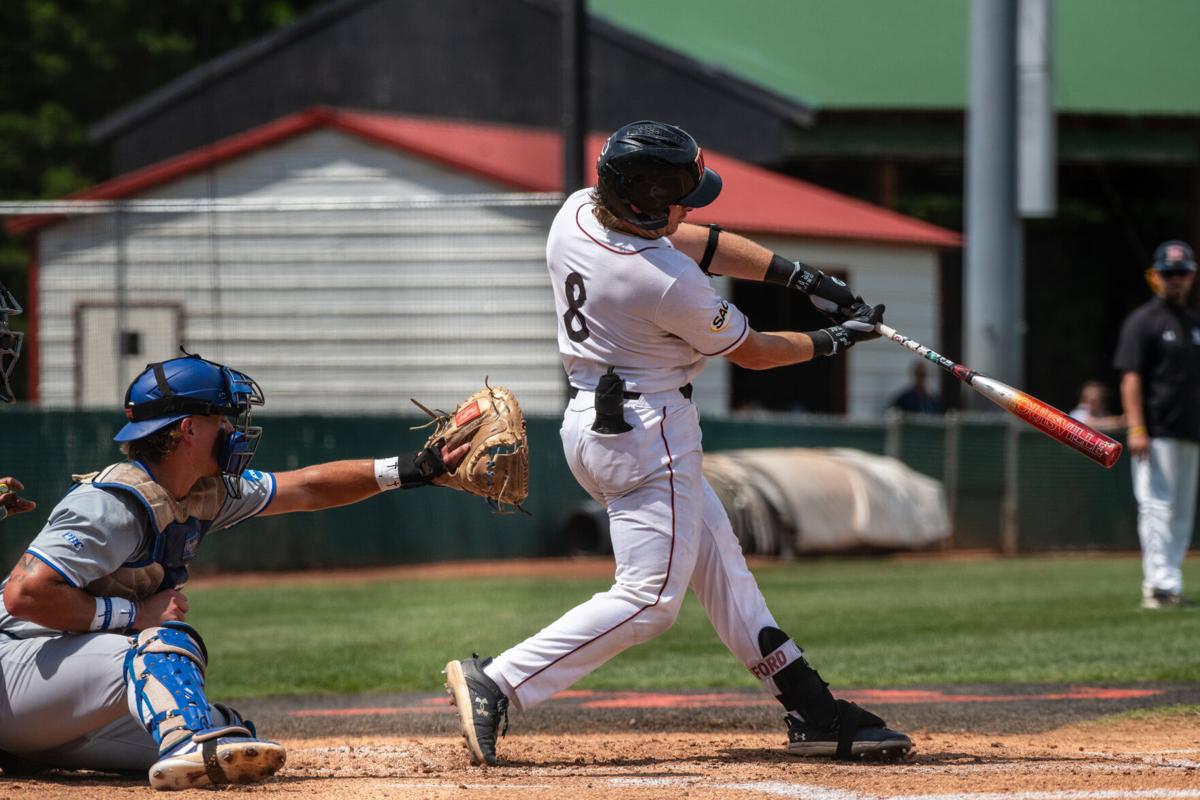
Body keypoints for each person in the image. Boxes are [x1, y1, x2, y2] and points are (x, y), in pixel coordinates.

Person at [444, 120, 910, 766]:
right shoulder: (664, 282)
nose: (689, 206)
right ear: (645, 200)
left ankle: (813, 709)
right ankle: (498, 680)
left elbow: (693, 239)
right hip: (647, 433)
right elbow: (752, 351)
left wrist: (799, 277)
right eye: (679, 194)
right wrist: (834, 339)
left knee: (725, 572)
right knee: (649, 603)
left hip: (597, 422)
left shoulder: (577, 211)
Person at [0, 352, 469, 789]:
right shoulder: (110, 505)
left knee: (227, 731)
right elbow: (24, 596)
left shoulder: (205, 491)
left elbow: (306, 489)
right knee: (166, 646)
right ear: (188, 430)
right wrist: (134, 614)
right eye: (221, 418)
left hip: (48, 703)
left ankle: (30, 753)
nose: (232, 427)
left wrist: (414, 468)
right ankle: (187, 748)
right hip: (14, 669)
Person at [1113, 240, 1200, 610]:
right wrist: (1137, 428)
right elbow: (1130, 377)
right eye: (1168, 273)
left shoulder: (1194, 323)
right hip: (1156, 432)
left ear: (1191, 276)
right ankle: (1158, 584)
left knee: (1181, 510)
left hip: (1191, 431)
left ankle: (1171, 581)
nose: (1175, 279)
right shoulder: (1143, 321)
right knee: (1155, 506)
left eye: (1181, 272)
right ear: (1155, 275)